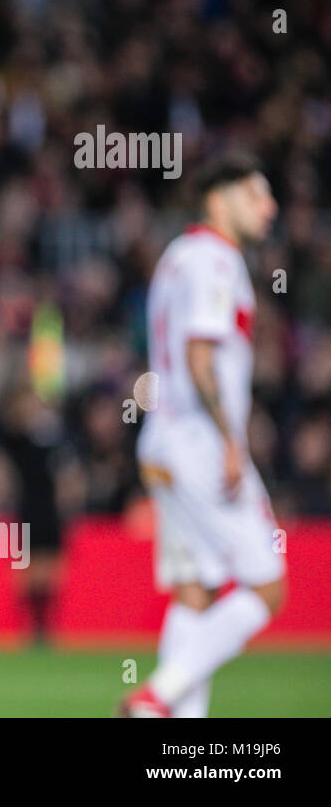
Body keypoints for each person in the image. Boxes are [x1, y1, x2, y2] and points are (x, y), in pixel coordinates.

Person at [121, 154, 286, 717]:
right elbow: (199, 354)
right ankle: (159, 697)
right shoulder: (218, 259)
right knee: (268, 587)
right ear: (220, 200)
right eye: (256, 195)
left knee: (195, 591)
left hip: (162, 442)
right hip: (201, 444)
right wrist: (232, 441)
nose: (271, 208)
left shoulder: (176, 256)